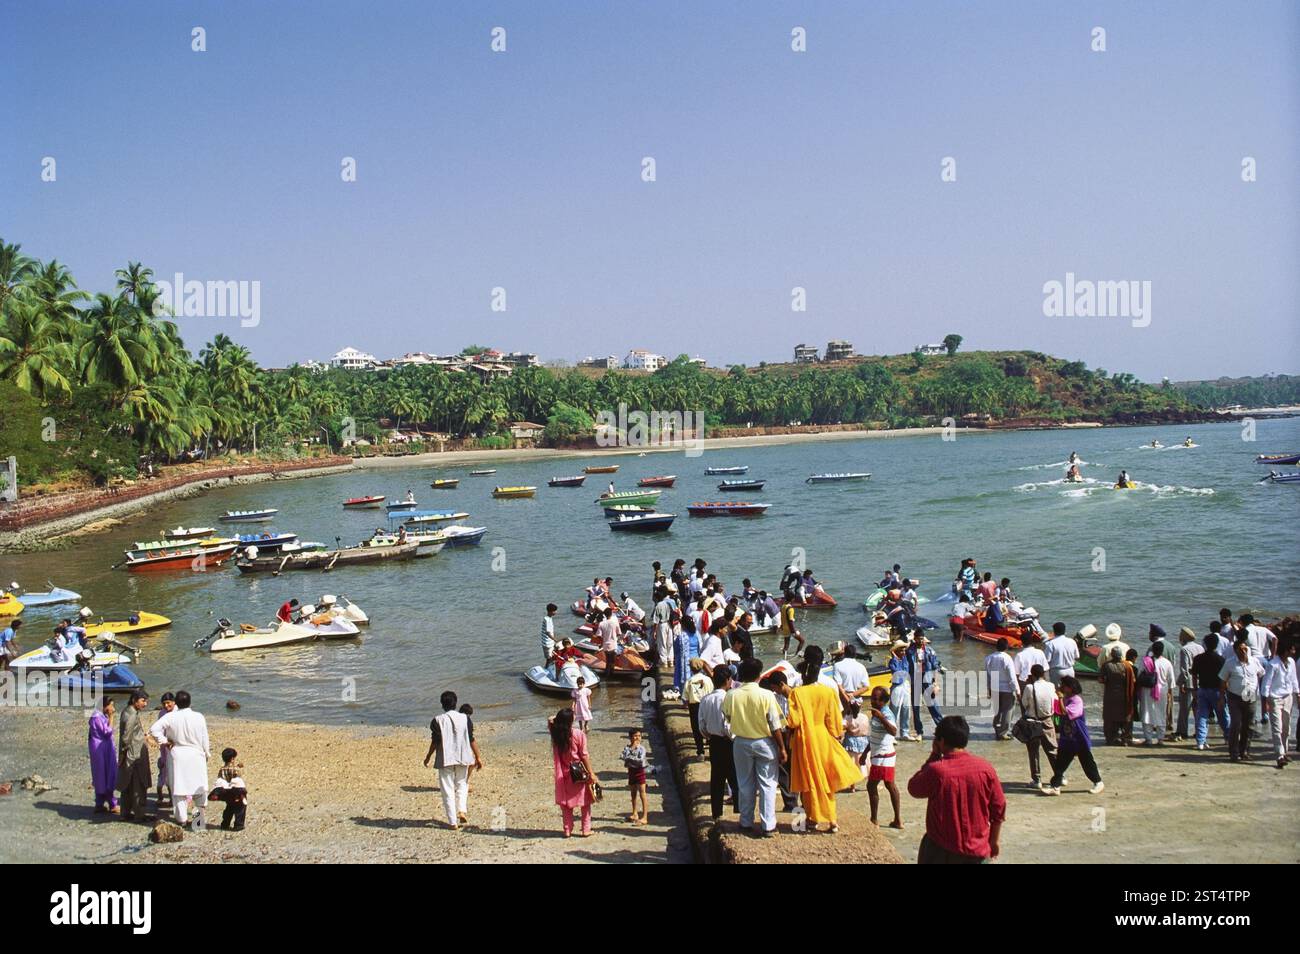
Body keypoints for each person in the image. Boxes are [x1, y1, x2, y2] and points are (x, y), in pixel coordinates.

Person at [907, 716, 1005, 864]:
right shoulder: (986, 769)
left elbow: (914, 789)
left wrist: (933, 755)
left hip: (940, 851)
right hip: (977, 851)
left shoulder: (936, 771)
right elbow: (999, 808)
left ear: (940, 741)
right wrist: (994, 840)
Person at [787, 647, 861, 833]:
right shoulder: (828, 691)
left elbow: (793, 721)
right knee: (826, 781)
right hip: (824, 738)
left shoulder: (797, 693)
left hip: (805, 739)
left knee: (808, 782)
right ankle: (832, 820)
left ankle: (812, 819)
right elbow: (835, 723)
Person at [722, 657, 786, 836]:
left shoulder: (731, 695)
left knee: (745, 783)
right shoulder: (767, 695)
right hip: (764, 742)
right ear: (759, 675)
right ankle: (768, 825)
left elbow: (727, 717)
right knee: (767, 784)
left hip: (741, 741)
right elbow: (775, 725)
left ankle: (745, 821)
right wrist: (782, 748)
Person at [149, 690, 210, 828]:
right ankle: (198, 822)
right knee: (199, 789)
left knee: (179, 790)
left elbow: (154, 729)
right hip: (196, 755)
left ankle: (182, 820)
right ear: (190, 702)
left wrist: (164, 740)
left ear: (176, 703)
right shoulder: (199, 716)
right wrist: (206, 753)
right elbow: (204, 737)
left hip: (178, 755)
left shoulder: (171, 717)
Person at [423, 690, 483, 829]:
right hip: (463, 755)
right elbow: (471, 739)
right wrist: (478, 756)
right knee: (462, 784)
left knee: (447, 789)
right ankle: (462, 810)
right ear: (455, 703)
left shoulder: (437, 720)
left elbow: (435, 741)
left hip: (445, 758)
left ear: (442, 704)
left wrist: (428, 756)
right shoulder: (465, 719)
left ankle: (452, 822)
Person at [1041, 676, 1104, 795]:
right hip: (1067, 737)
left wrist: (1060, 699)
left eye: (1064, 685)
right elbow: (1058, 711)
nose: (1061, 687)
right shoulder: (1065, 698)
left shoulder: (1076, 700)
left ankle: (1098, 782)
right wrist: (1058, 699)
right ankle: (1055, 786)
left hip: (1078, 737)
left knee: (1087, 761)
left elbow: (1067, 712)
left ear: (1070, 687)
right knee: (1060, 763)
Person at [698, 667, 738, 819]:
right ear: (728, 681)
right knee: (734, 776)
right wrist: (732, 737)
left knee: (717, 778)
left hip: (714, 742)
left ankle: (716, 813)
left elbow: (701, 725)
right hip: (728, 741)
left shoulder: (705, 700)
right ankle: (738, 809)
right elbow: (728, 725)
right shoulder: (728, 699)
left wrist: (709, 736)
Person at [550, 708, 596, 837]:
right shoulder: (578, 734)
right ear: (571, 720)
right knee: (586, 801)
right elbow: (584, 755)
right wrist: (591, 772)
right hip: (578, 771)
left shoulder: (556, 734)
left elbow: (550, 720)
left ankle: (567, 829)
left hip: (564, 772)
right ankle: (586, 829)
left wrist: (559, 720)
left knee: (566, 804)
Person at [865, 686, 902, 829]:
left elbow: (893, 731)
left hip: (883, 756)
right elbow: (875, 736)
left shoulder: (886, 714)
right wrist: (864, 754)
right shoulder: (877, 713)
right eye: (872, 698)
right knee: (889, 785)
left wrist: (881, 718)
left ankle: (874, 819)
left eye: (875, 699)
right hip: (878, 754)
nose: (872, 701)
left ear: (883, 701)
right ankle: (897, 820)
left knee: (872, 785)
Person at [116, 689, 152, 822]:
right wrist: (125, 753)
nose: (145, 704)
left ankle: (124, 813)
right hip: (135, 755)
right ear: (134, 700)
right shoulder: (131, 715)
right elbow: (126, 738)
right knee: (139, 784)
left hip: (129, 754)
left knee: (127, 785)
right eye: (143, 701)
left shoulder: (127, 711)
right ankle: (139, 814)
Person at [1019, 664, 1058, 786]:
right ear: (1043, 674)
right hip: (1047, 720)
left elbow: (1024, 703)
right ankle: (1059, 775)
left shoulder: (1030, 688)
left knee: (1033, 752)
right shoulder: (1051, 686)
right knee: (1052, 750)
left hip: (1033, 722)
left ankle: (1037, 779)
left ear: (1032, 675)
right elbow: (1055, 700)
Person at [1192, 632, 1230, 750]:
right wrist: (1224, 693)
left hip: (1202, 689)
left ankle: (1200, 742)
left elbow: (1194, 675)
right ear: (1217, 644)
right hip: (1217, 691)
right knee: (1223, 716)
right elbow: (1224, 678)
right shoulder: (1221, 660)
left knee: (1202, 716)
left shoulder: (1198, 658)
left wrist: (1195, 689)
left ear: (1205, 644)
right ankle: (1229, 738)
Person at [1262, 640, 1297, 769]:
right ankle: (1279, 756)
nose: (1294, 652)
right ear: (1286, 651)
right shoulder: (1273, 665)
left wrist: (1297, 695)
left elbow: (1293, 680)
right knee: (1277, 727)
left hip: (1288, 697)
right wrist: (1265, 702)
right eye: (1292, 650)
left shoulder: (1291, 662)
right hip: (1274, 698)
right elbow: (1266, 683)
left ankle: (1285, 751)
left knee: (1286, 727)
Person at [905, 634, 944, 739]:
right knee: (916, 706)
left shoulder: (929, 650)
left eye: (922, 638)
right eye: (919, 638)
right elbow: (905, 664)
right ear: (915, 639)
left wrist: (935, 683)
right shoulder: (909, 651)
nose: (921, 640)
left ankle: (941, 728)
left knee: (932, 704)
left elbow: (935, 666)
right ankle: (919, 732)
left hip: (927, 678)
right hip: (915, 679)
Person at [1137, 642, 1174, 745]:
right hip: (1162, 691)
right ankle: (1160, 739)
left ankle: (1148, 739)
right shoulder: (1167, 663)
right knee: (1161, 713)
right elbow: (1171, 681)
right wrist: (1170, 693)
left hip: (1147, 690)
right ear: (1162, 651)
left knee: (1147, 713)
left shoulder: (1145, 661)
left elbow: (1139, 675)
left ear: (1152, 650)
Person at [1098, 646, 1136, 745]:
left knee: (1110, 716)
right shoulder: (1127, 666)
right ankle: (1126, 738)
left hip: (1110, 695)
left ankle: (1111, 738)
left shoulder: (1106, 665)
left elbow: (1101, 679)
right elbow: (1133, 680)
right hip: (1124, 695)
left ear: (1112, 655)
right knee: (1125, 716)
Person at [88, 697, 119, 814]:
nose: (113, 708)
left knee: (101, 774)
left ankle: (100, 803)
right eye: (111, 705)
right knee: (105, 774)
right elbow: (107, 732)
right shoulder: (97, 717)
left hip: (101, 747)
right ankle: (112, 803)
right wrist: (111, 717)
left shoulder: (98, 715)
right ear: (105, 706)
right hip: (101, 749)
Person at [984, 638, 1017, 740]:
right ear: (1006, 647)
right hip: (1006, 688)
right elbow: (1012, 676)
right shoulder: (1007, 658)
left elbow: (988, 676)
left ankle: (997, 727)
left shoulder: (989, 658)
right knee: (1008, 710)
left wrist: (988, 688)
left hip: (994, 687)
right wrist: (1016, 689)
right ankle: (1003, 732)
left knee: (997, 710)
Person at [1174, 626, 1203, 741]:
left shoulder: (1185, 649)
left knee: (1184, 709)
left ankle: (1182, 731)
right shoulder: (1200, 648)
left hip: (1189, 683)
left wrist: (1181, 684)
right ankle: (1199, 731)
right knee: (1198, 709)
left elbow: (1184, 669)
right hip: (1200, 682)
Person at [213, 748, 249, 831]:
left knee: (229, 807)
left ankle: (225, 824)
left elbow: (220, 779)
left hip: (227, 791)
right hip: (236, 791)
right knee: (240, 808)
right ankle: (238, 825)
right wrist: (239, 767)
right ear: (232, 758)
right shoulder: (235, 769)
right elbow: (238, 776)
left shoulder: (221, 769)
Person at [683, 659, 712, 756]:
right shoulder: (708, 679)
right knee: (708, 724)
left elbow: (685, 697)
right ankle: (709, 742)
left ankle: (700, 752)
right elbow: (712, 692)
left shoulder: (689, 681)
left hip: (694, 706)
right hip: (707, 704)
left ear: (691, 668)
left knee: (696, 728)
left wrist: (685, 704)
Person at [621, 729, 649, 824]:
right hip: (631, 772)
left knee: (642, 793)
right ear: (630, 738)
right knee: (633, 793)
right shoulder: (627, 748)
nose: (637, 738)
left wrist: (630, 757)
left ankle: (645, 816)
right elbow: (623, 756)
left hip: (640, 772)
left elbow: (640, 759)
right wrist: (631, 753)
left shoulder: (642, 748)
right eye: (635, 736)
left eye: (639, 736)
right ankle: (634, 813)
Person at [887, 640, 913, 740]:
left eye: (903, 650)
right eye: (901, 650)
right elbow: (897, 672)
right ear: (896, 651)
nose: (903, 652)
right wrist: (894, 657)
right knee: (894, 710)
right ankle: (891, 734)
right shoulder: (892, 661)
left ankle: (904, 732)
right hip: (897, 686)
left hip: (905, 685)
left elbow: (905, 671)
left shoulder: (905, 659)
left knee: (906, 709)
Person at [154, 692, 176, 809]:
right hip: (165, 746)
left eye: (168, 703)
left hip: (176, 746)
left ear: (174, 702)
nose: (166, 706)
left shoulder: (178, 713)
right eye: (164, 704)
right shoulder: (162, 713)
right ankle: (171, 799)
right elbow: (157, 729)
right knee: (166, 773)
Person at [1044, 622, 1079, 686]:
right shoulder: (1072, 641)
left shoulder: (1051, 643)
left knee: (1057, 692)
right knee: (1070, 691)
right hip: (1070, 670)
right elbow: (1077, 656)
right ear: (1064, 630)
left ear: (1054, 631)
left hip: (1056, 671)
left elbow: (1047, 659)